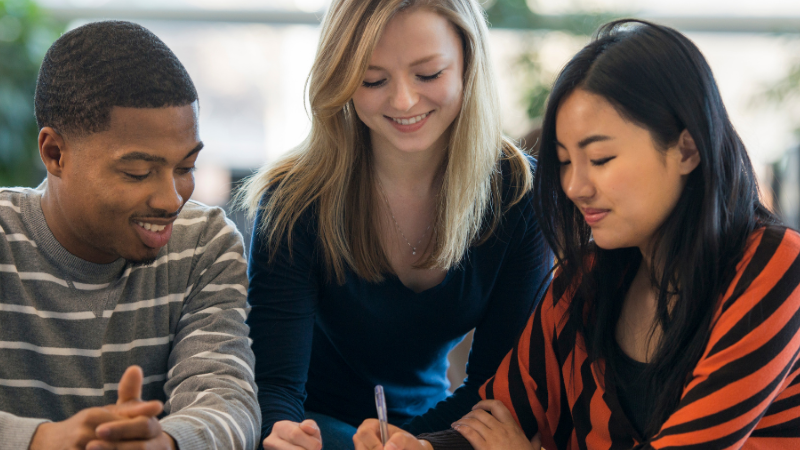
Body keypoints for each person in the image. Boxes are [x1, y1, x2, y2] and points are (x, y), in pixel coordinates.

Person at [353, 19, 800, 450]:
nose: (574, 187)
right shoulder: (584, 280)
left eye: (600, 159)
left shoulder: (777, 268)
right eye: (565, 161)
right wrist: (420, 446)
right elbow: (498, 414)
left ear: (687, 149)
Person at [238, 0, 553, 448]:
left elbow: (498, 387)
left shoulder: (519, 195)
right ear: (342, 79)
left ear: (469, 62)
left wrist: (420, 443)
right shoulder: (295, 200)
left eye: (429, 75)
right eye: (373, 79)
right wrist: (285, 436)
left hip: (442, 428)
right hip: (314, 425)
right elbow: (276, 385)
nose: (404, 100)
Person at [0, 21, 260, 450]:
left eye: (185, 167)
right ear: (54, 153)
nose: (171, 199)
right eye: (138, 172)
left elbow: (230, 402)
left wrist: (165, 443)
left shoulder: (204, 244)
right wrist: (41, 440)